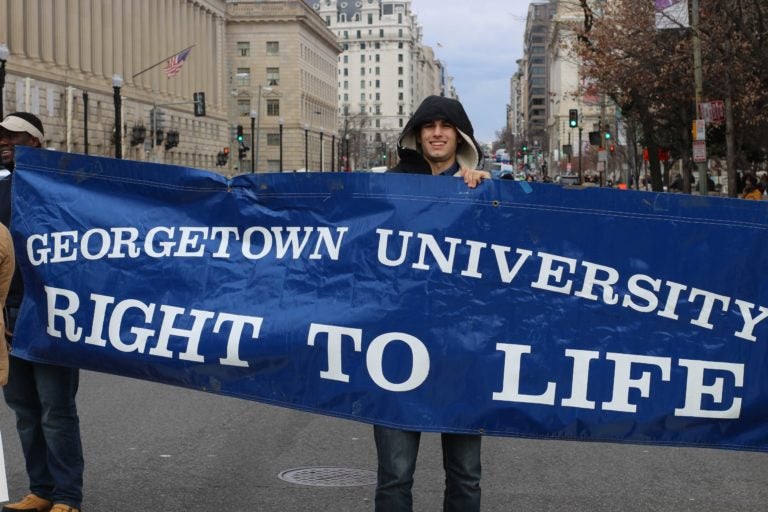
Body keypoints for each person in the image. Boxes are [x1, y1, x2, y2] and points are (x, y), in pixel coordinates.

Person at [376, 95, 489, 512]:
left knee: (465, 476)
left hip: (462, 354)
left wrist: (484, 193)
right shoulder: (388, 188)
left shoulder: (481, 190)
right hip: (395, 350)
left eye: (445, 125)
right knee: (394, 477)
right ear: (417, 134)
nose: (437, 133)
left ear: (459, 135)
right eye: (429, 126)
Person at [0, 113, 84, 512]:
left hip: (52, 312)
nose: (3, 142)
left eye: (13, 136)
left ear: (35, 141)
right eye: (0, 137)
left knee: (56, 409)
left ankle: (67, 495)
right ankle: (41, 490)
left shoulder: (61, 184)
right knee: (24, 410)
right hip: (6, 312)